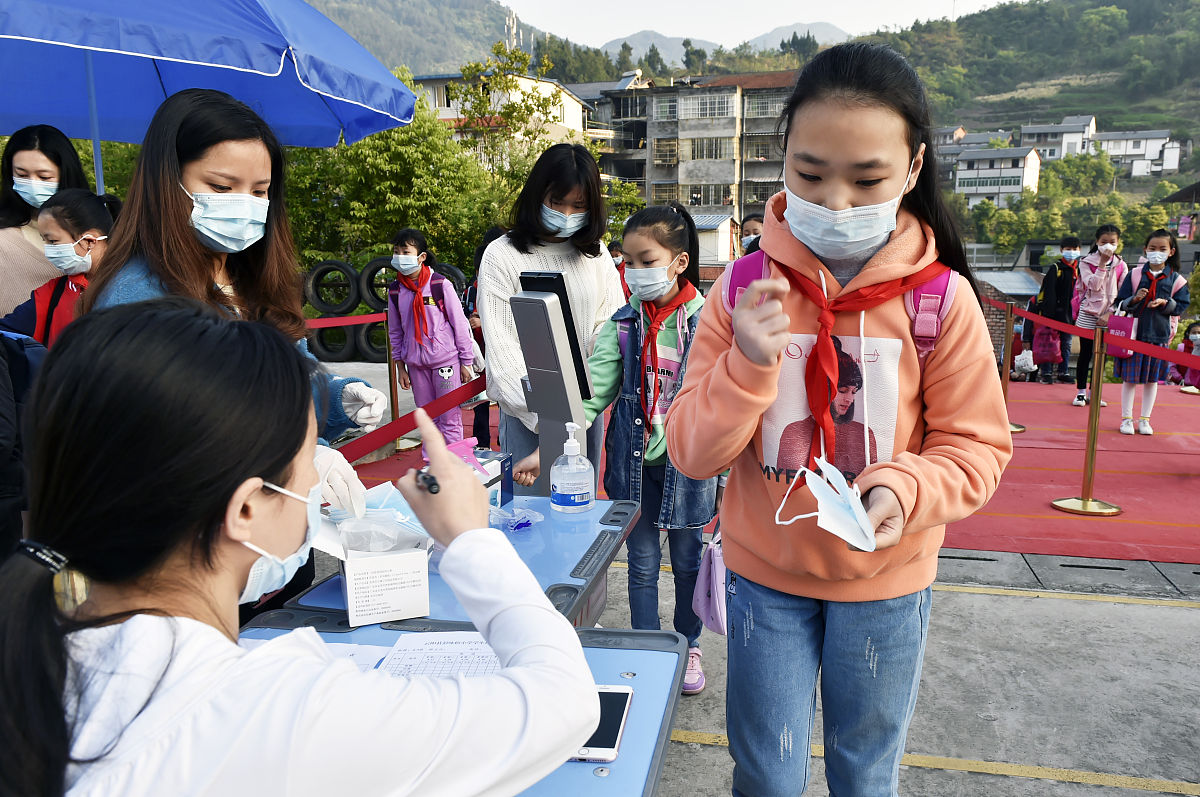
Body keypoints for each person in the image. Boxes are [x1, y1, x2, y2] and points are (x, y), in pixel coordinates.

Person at [0, 298, 599, 797]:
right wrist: (470, 539)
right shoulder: (281, 715)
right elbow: (564, 702)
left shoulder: (37, 647)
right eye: (308, 459)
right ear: (245, 509)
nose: (316, 479)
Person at [664, 43, 1012, 796]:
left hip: (887, 582)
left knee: (865, 775)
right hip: (764, 581)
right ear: (782, 159)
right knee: (767, 774)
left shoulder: (941, 301)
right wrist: (747, 365)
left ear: (913, 169)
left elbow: (977, 448)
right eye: (811, 174)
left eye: (867, 179)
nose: (838, 203)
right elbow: (690, 451)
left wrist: (904, 489)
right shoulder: (742, 288)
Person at [79, 88, 384, 519]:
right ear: (166, 183)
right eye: (222, 187)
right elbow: (164, 441)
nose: (244, 205)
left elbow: (284, 392)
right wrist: (291, 460)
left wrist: (334, 399)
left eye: (260, 192)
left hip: (277, 524)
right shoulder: (137, 300)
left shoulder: (253, 278)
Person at [513, 202, 719, 695]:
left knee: (688, 562)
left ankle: (687, 643)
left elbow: (727, 401)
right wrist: (547, 448)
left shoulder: (711, 322)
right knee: (642, 563)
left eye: (647, 261)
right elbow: (592, 396)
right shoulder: (622, 325)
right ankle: (648, 645)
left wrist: (732, 472)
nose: (634, 272)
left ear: (679, 262)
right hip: (634, 466)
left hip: (690, 466)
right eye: (627, 261)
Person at [477, 143, 624, 493]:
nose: (567, 214)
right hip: (527, 415)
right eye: (557, 202)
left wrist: (581, 411)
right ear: (537, 195)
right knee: (529, 513)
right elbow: (503, 352)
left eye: (579, 206)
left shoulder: (596, 254)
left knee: (580, 509)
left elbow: (609, 328)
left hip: (587, 410)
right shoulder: (502, 255)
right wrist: (554, 425)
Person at [386, 227, 474, 450]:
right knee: (427, 420)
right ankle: (431, 463)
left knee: (449, 417)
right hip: (416, 365)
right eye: (396, 252)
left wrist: (466, 362)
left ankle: (454, 461)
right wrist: (401, 367)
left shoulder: (439, 285)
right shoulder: (395, 291)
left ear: (421, 256)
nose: (400, 257)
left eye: (406, 252)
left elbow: (460, 324)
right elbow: (395, 332)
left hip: (446, 363)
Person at [0, 190, 120, 346]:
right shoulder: (54, 291)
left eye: (52, 241)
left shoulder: (136, 284)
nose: (48, 250)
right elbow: (7, 331)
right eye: (44, 241)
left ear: (89, 241)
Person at [0, 125, 90, 314]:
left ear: (65, 175)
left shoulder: (100, 228)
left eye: (44, 176)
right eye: (22, 175)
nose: (33, 184)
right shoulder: (5, 240)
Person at [1112, 229, 1190, 435]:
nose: (1157, 253)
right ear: (1145, 249)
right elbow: (1120, 302)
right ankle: (1126, 419)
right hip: (1133, 335)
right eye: (1153, 248)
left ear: (1171, 252)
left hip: (1159, 336)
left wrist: (1166, 303)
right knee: (1129, 379)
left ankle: (1145, 420)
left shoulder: (1177, 280)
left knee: (1152, 380)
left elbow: (1182, 306)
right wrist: (1135, 299)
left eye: (1162, 249)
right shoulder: (1134, 274)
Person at [778, 337, 878, 479]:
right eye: (842, 390)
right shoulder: (794, 432)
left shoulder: (863, 434)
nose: (849, 399)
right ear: (822, 388)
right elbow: (783, 482)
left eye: (853, 392)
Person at [1072, 224, 1127, 407]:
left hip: (1108, 315)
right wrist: (1102, 264)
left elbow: (1123, 293)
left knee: (1101, 356)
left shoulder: (1121, 265)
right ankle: (1081, 392)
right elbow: (1093, 286)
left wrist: (1111, 313)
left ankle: (1094, 392)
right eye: (1104, 242)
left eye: (1112, 242)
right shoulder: (1086, 262)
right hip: (1088, 312)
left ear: (1118, 243)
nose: (1108, 245)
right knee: (1085, 354)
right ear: (1097, 242)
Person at [464, 226, 507, 448]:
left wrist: (485, 322)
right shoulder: (471, 290)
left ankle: (505, 434)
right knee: (481, 399)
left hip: (502, 351)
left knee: (507, 398)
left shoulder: (509, 284)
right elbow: (461, 318)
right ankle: (482, 441)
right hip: (479, 353)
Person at [1034, 235, 1080, 384]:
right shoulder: (1056, 268)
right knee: (1049, 342)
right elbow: (1049, 292)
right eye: (1068, 249)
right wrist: (1047, 314)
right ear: (1061, 250)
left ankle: (1063, 372)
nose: (1071, 252)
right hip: (1053, 314)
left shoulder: (1079, 270)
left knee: (1066, 344)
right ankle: (1046, 373)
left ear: (1079, 250)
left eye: (1074, 249)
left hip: (1069, 315)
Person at [1168, 320, 1200, 394]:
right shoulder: (1181, 347)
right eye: (1194, 333)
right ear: (1188, 334)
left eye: (1199, 333)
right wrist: (1179, 379)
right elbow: (1172, 366)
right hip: (1184, 385)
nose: (1197, 335)